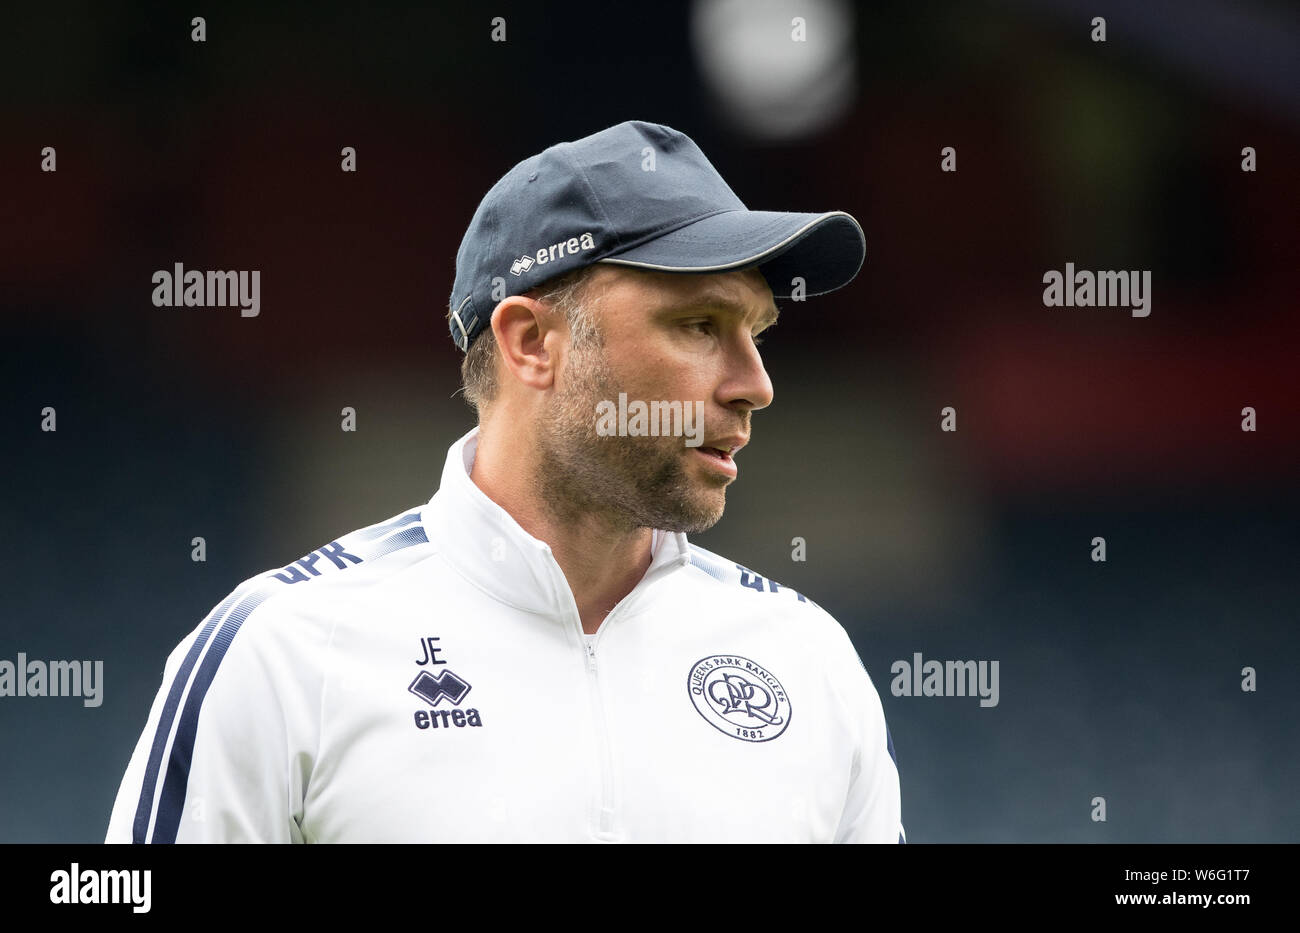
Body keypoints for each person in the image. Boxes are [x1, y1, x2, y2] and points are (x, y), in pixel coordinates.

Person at [107, 120, 904, 843]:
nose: (756, 384)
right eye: (699, 325)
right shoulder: (281, 651)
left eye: (757, 332)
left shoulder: (811, 663)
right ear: (530, 343)